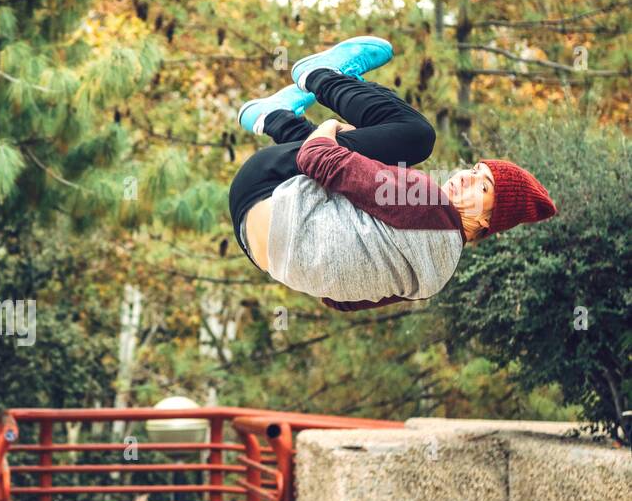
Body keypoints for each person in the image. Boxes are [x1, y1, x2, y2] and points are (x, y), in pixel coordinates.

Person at [229, 36, 557, 310]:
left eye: (483, 187)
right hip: (255, 243)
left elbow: (316, 157)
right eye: (474, 169)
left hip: (266, 184)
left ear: (487, 221)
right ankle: (271, 117)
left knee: (415, 137)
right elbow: (337, 301)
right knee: (354, 177)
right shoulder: (434, 280)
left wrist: (335, 127)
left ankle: (320, 76)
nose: (466, 176)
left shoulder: (427, 203)